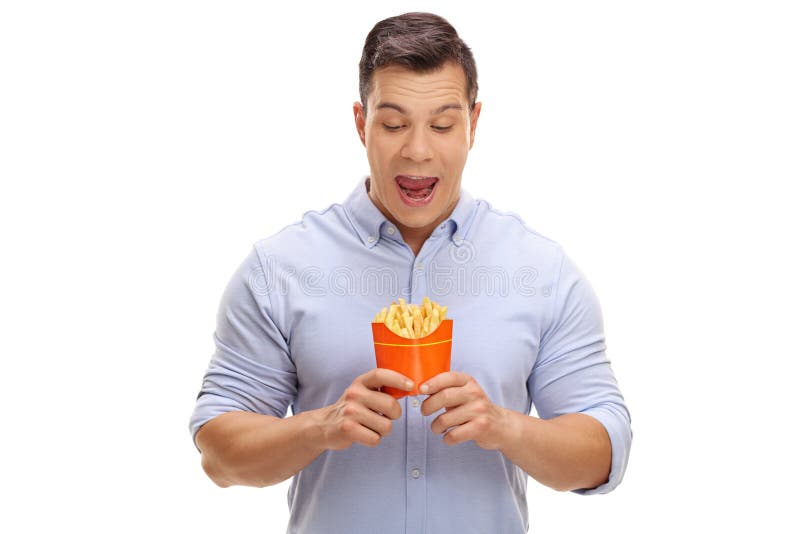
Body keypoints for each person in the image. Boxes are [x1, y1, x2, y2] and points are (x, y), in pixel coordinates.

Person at [190, 12, 631, 533]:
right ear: (361, 123)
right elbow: (219, 454)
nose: (417, 150)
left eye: (443, 125)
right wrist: (320, 427)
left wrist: (505, 427)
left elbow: (603, 451)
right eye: (394, 124)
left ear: (474, 124)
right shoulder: (278, 269)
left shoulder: (541, 271)